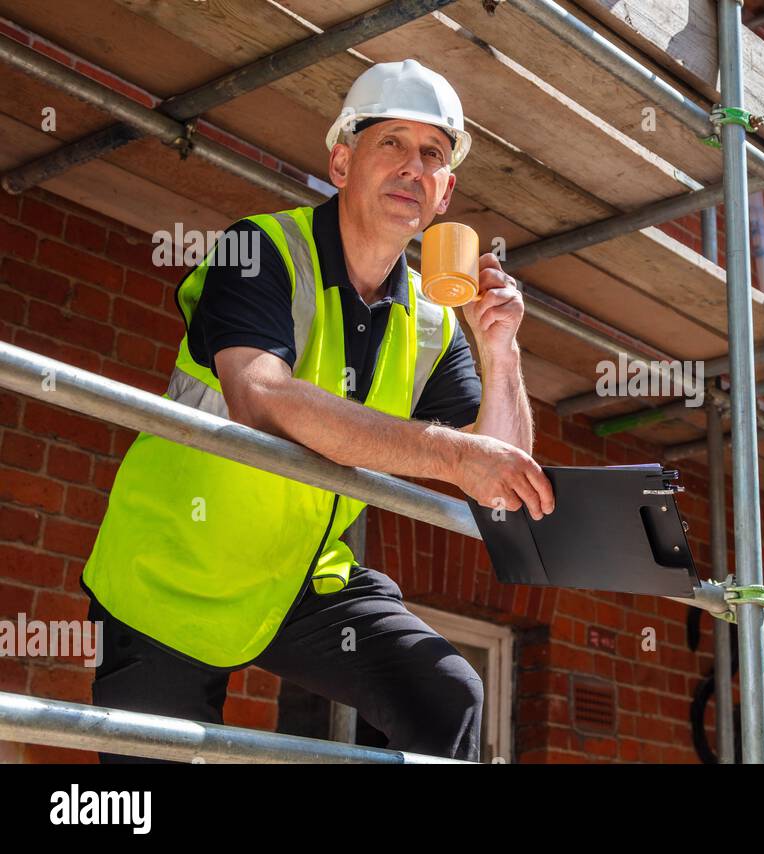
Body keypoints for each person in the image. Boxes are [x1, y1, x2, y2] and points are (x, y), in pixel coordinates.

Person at [80, 59, 554, 763]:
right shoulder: (259, 250)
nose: (412, 167)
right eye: (391, 141)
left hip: (301, 579)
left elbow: (502, 473)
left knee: (445, 693)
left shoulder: (432, 320)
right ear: (341, 160)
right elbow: (261, 397)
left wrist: (503, 352)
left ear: (446, 193)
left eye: (432, 154)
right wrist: (453, 455)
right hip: (175, 570)